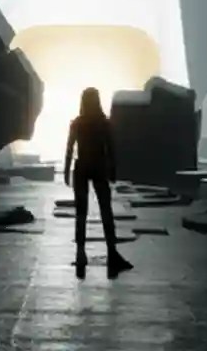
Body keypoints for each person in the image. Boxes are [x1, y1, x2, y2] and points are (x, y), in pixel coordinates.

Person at [63, 87, 133, 275]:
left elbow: (70, 148)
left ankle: (80, 253)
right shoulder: (104, 123)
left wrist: (65, 170)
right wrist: (113, 170)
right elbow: (111, 148)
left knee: (81, 212)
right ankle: (112, 252)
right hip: (99, 166)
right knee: (106, 211)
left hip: (81, 167)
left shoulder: (77, 123)